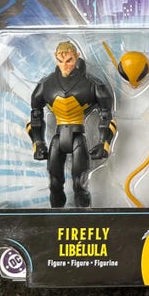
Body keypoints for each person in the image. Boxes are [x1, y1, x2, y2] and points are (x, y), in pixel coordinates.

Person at [27, 40, 116, 207]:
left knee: (79, 183)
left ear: (77, 57)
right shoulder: (46, 84)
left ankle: (82, 212)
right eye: (60, 61)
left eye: (69, 60)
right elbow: (35, 115)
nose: (65, 65)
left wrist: (103, 143)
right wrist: (38, 143)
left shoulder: (92, 84)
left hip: (78, 136)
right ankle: (56, 214)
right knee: (54, 184)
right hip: (58, 136)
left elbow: (106, 115)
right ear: (55, 58)